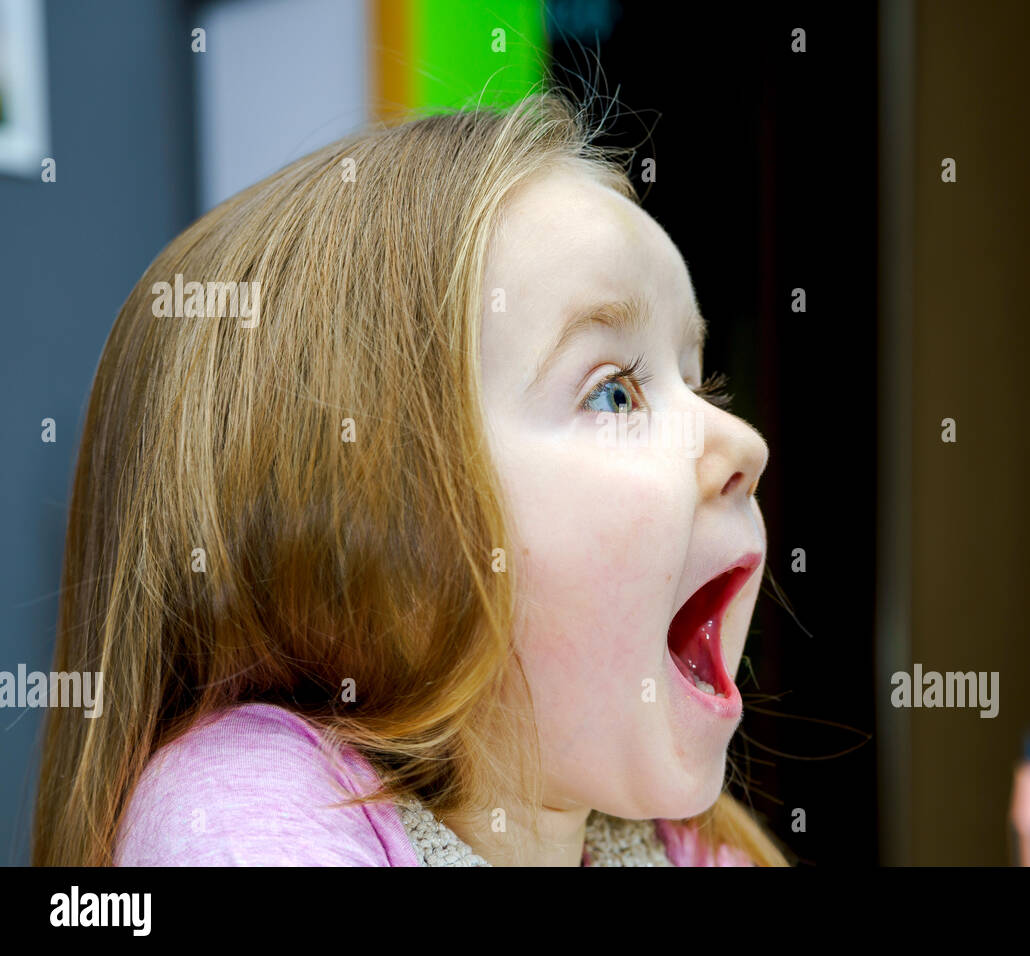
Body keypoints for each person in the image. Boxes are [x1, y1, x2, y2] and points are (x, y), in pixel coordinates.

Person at [31, 90, 787, 867]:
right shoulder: (246, 804)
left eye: (700, 385)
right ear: (362, 520)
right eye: (614, 393)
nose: (741, 441)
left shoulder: (691, 846)